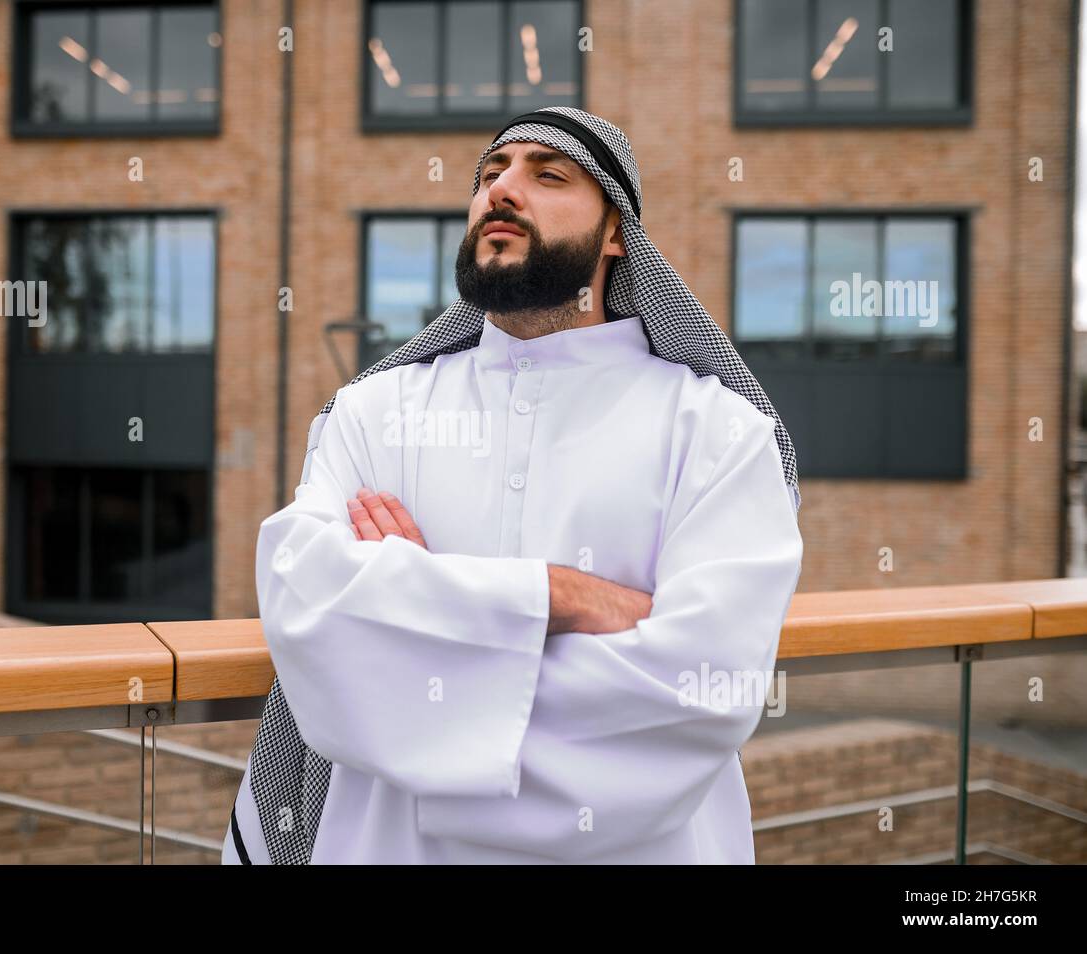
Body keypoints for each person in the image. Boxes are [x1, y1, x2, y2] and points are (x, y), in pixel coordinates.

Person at [222, 106, 803, 864]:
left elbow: (701, 688)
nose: (502, 190)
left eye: (548, 174)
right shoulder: (373, 412)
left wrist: (415, 603)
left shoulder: (716, 430)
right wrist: (562, 599)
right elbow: (308, 614)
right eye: (490, 174)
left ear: (618, 233)